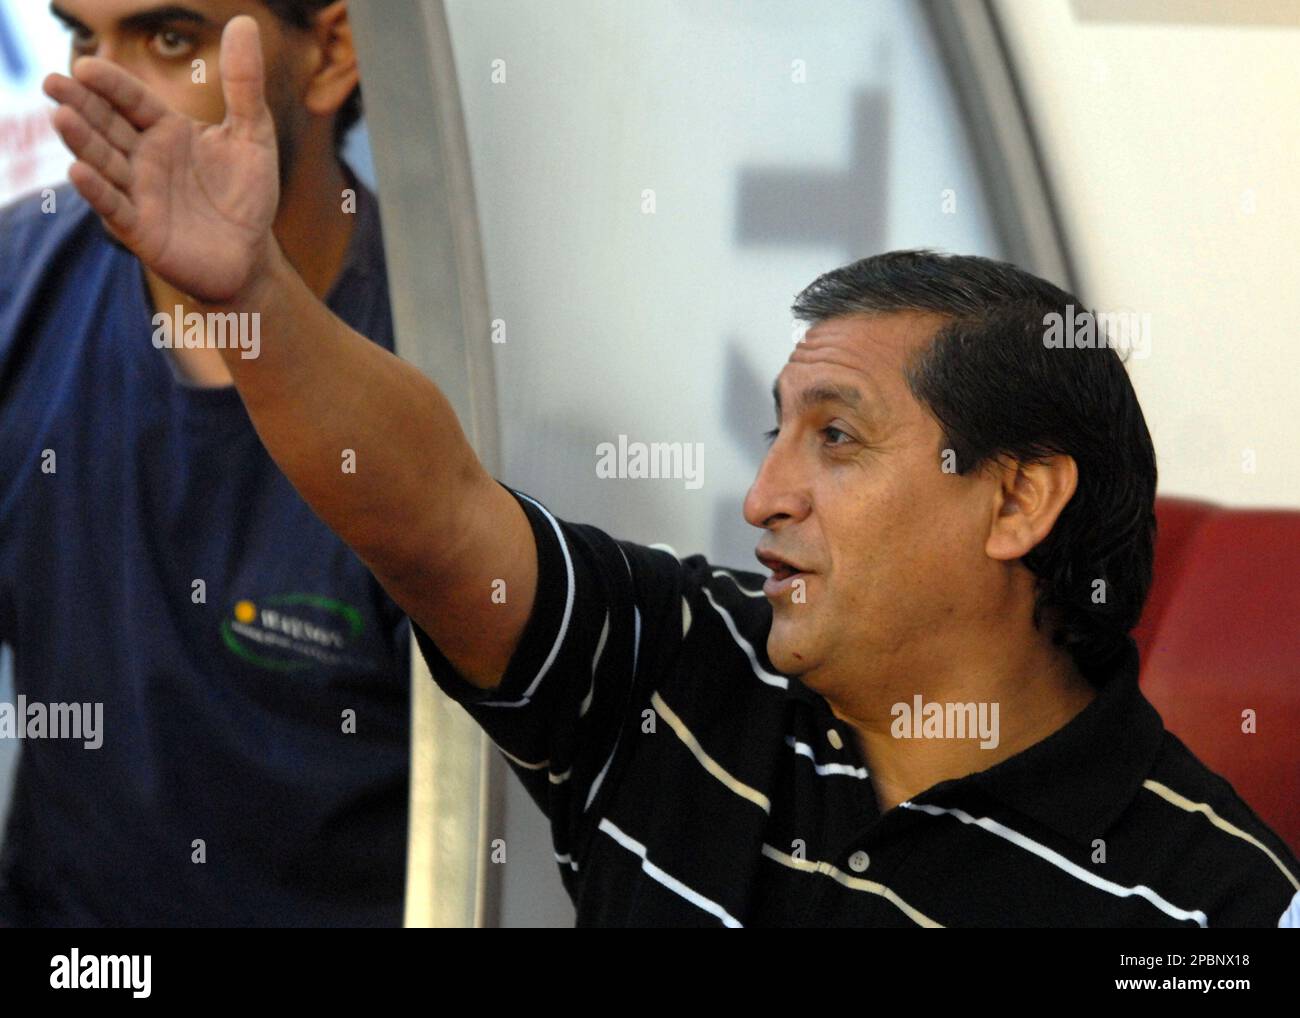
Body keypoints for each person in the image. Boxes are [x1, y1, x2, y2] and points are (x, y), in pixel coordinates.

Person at [41, 14, 1300, 927]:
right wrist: (255, 294)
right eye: (776, 435)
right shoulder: (687, 669)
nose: (763, 500)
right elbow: (431, 517)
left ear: (1019, 497)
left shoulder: (1213, 908)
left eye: (838, 437)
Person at [0, 1, 411, 926]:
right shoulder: (17, 288)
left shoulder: (438, 382)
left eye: (169, 40)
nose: (101, 93)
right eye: (82, 39)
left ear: (332, 52)